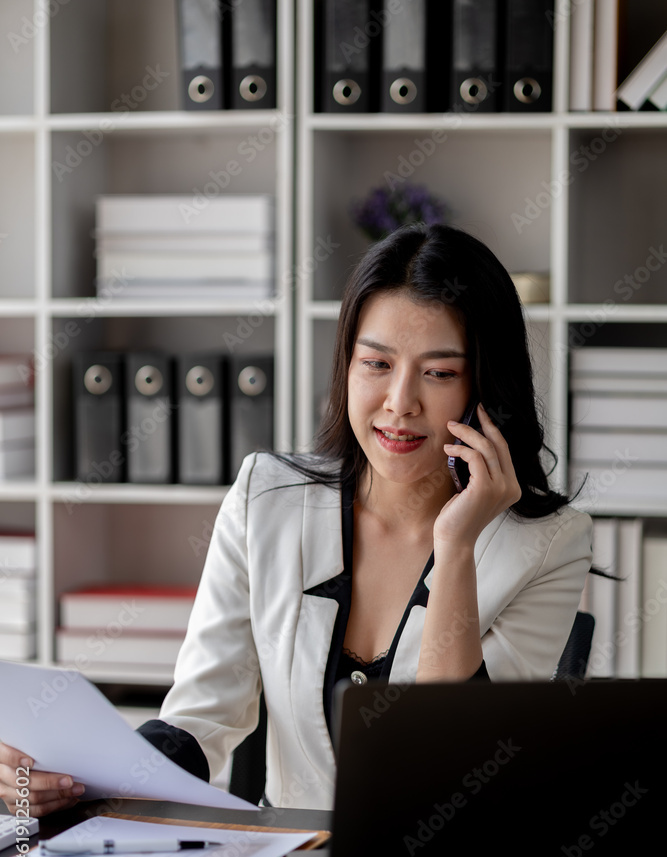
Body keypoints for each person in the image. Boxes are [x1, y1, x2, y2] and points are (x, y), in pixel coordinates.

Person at [0, 223, 592, 817]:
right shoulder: (266, 497)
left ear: (487, 387)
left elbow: (452, 762)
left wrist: (456, 545)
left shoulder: (550, 544)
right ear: (346, 366)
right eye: (376, 363)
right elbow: (201, 716)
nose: (400, 402)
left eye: (439, 373)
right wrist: (79, 780)